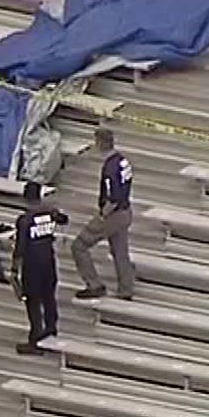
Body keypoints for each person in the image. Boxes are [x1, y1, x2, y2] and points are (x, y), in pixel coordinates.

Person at [74, 128, 135, 301]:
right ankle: (126, 289)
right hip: (126, 211)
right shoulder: (123, 161)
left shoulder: (109, 168)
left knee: (79, 246)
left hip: (113, 215)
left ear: (99, 143)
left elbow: (112, 197)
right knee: (120, 252)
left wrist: (102, 215)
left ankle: (94, 285)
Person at [11, 181, 67, 354]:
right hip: (48, 261)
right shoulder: (50, 213)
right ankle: (51, 330)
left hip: (32, 265)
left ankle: (35, 339)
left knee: (33, 301)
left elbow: (20, 247)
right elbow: (64, 219)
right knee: (49, 298)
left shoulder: (25, 220)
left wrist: (14, 269)